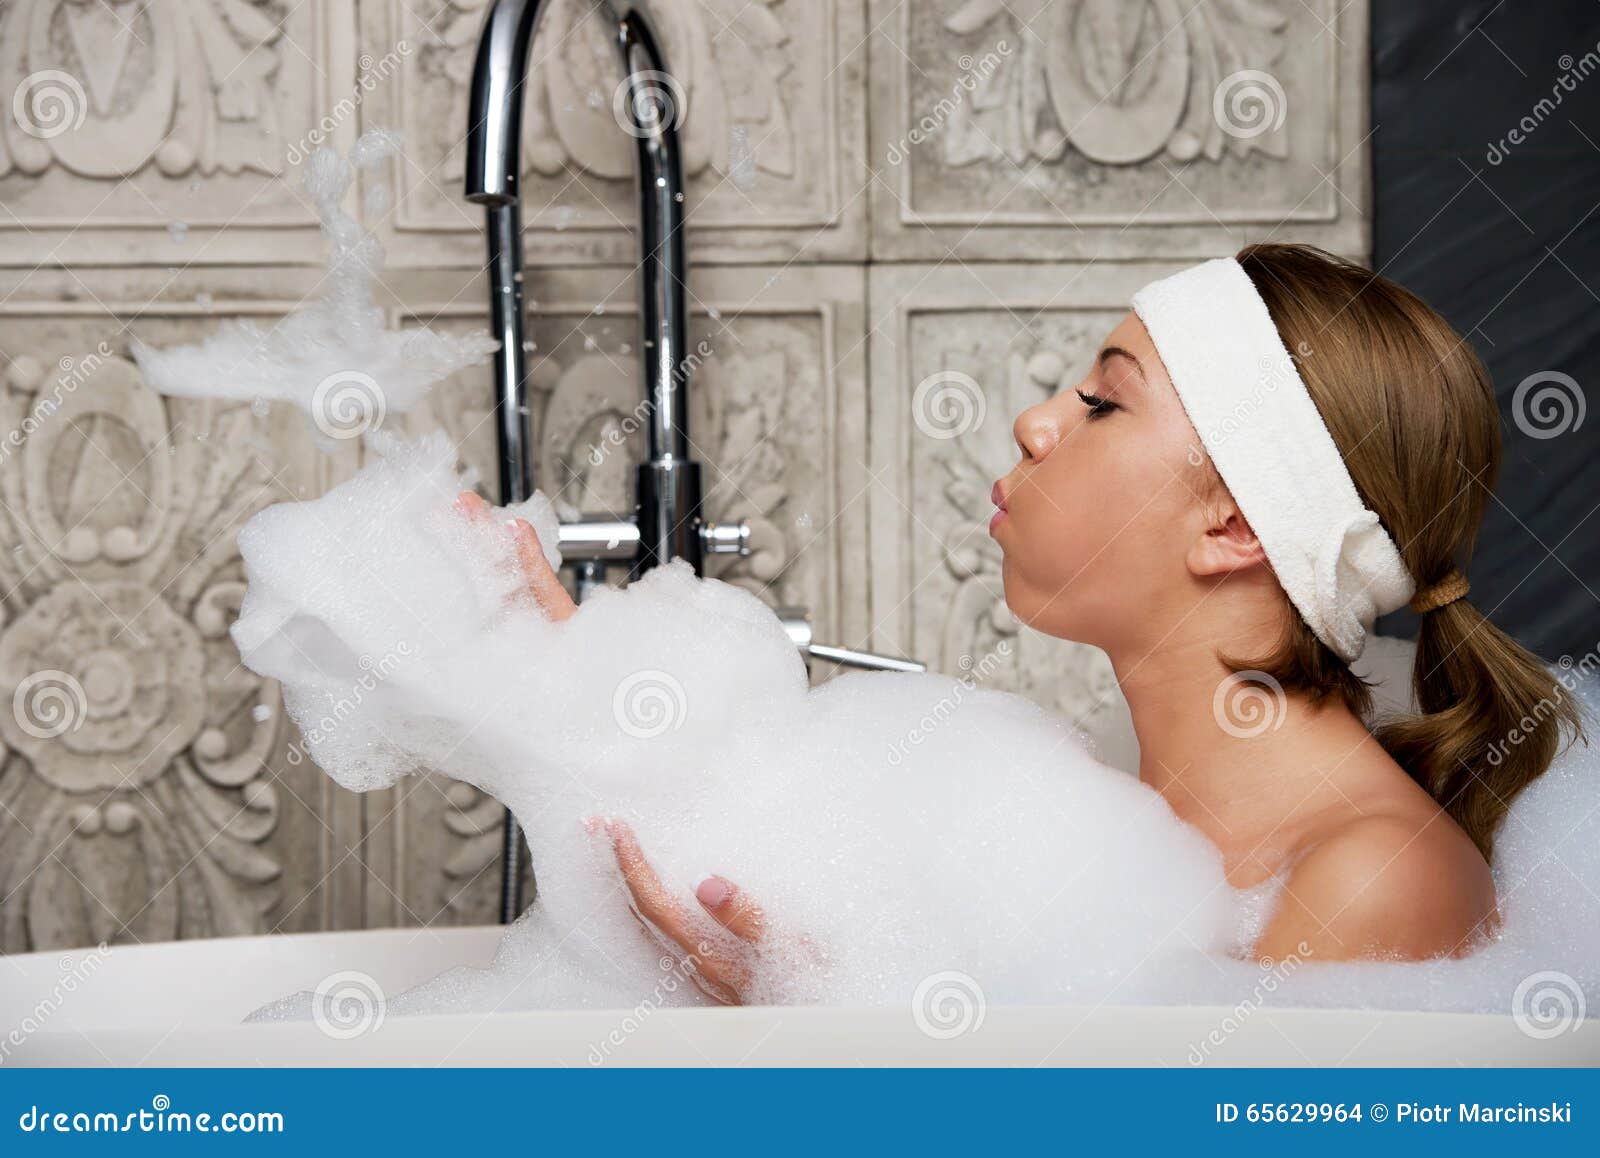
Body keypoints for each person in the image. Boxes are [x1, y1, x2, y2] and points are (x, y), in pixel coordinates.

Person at [457, 243, 1584, 1005]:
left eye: (1101, 400)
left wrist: (821, 1028)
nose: (1036, 421)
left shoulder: (1367, 882)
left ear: (1234, 527)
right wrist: (581, 703)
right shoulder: (1114, 806)